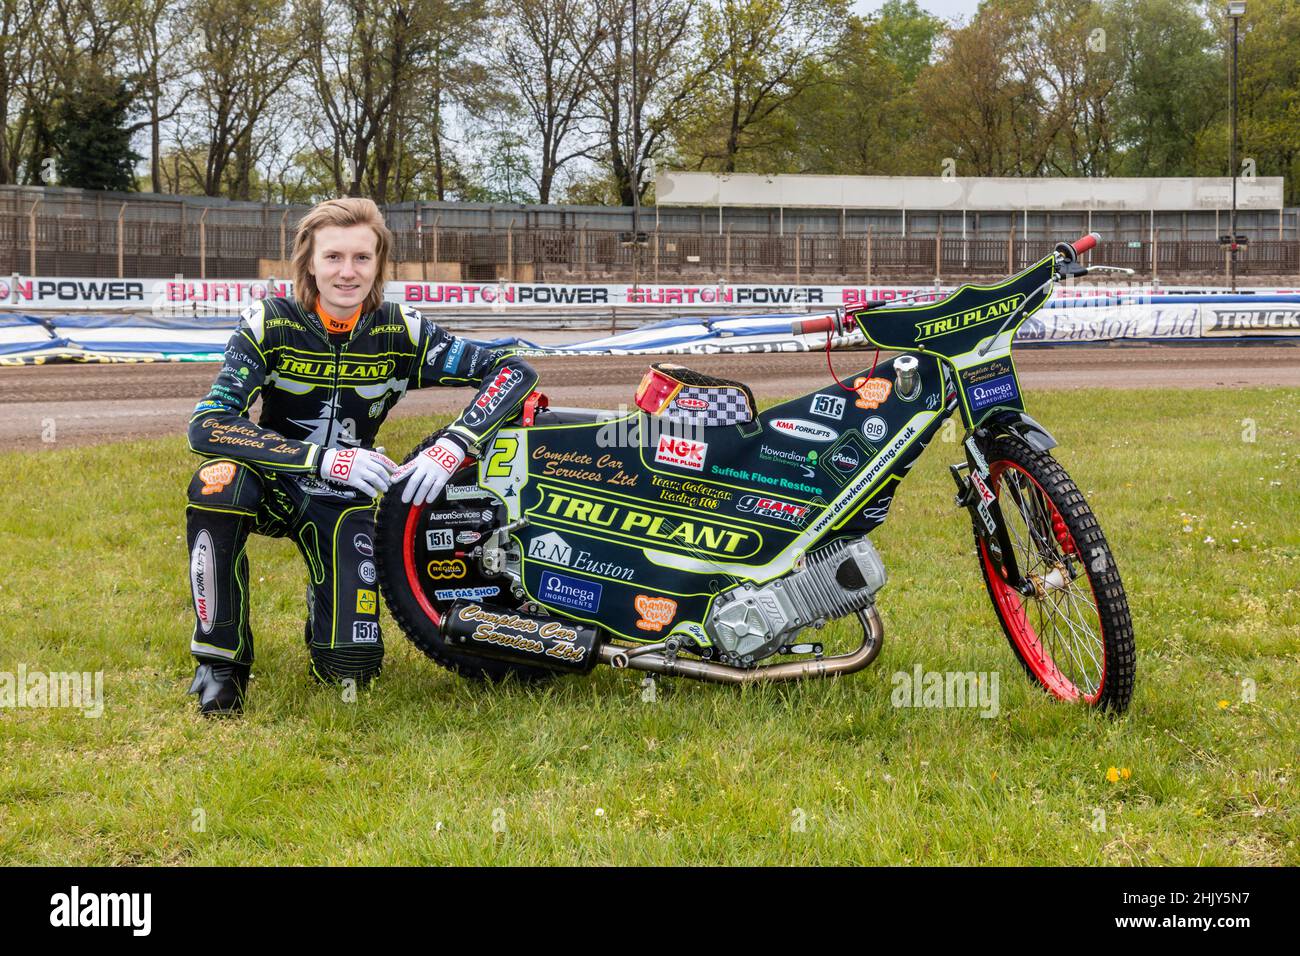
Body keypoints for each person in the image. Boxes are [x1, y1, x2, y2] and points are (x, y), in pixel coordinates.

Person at [184, 197, 536, 715]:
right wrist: (320, 459)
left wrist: (454, 443)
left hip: (345, 497)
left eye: (362, 259)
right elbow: (207, 424)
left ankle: (326, 624)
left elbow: (514, 370)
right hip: (272, 482)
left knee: (351, 669)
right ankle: (220, 663)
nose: (347, 272)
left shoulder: (403, 328)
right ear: (308, 261)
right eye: (333, 257)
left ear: (379, 265)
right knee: (217, 483)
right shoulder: (269, 321)